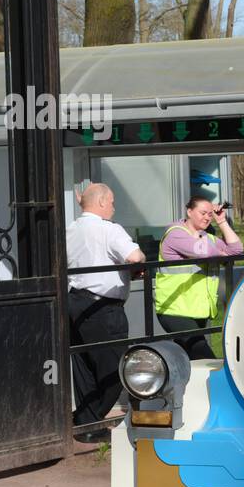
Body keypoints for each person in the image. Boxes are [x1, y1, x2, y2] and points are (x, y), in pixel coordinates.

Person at [66, 183, 145, 443]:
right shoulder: (109, 230)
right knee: (118, 370)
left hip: (75, 303)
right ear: (101, 202)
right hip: (104, 307)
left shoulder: (70, 230)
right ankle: (86, 421)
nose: (113, 206)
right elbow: (135, 257)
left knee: (84, 368)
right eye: (111, 201)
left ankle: (88, 426)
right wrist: (137, 265)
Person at [156, 196, 243, 359]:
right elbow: (204, 251)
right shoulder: (175, 234)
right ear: (189, 211)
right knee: (202, 353)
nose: (207, 217)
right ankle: (214, 382)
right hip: (174, 309)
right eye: (203, 213)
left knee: (187, 358)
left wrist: (222, 222)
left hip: (196, 309)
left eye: (210, 214)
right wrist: (221, 254)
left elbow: (236, 249)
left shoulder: (207, 237)